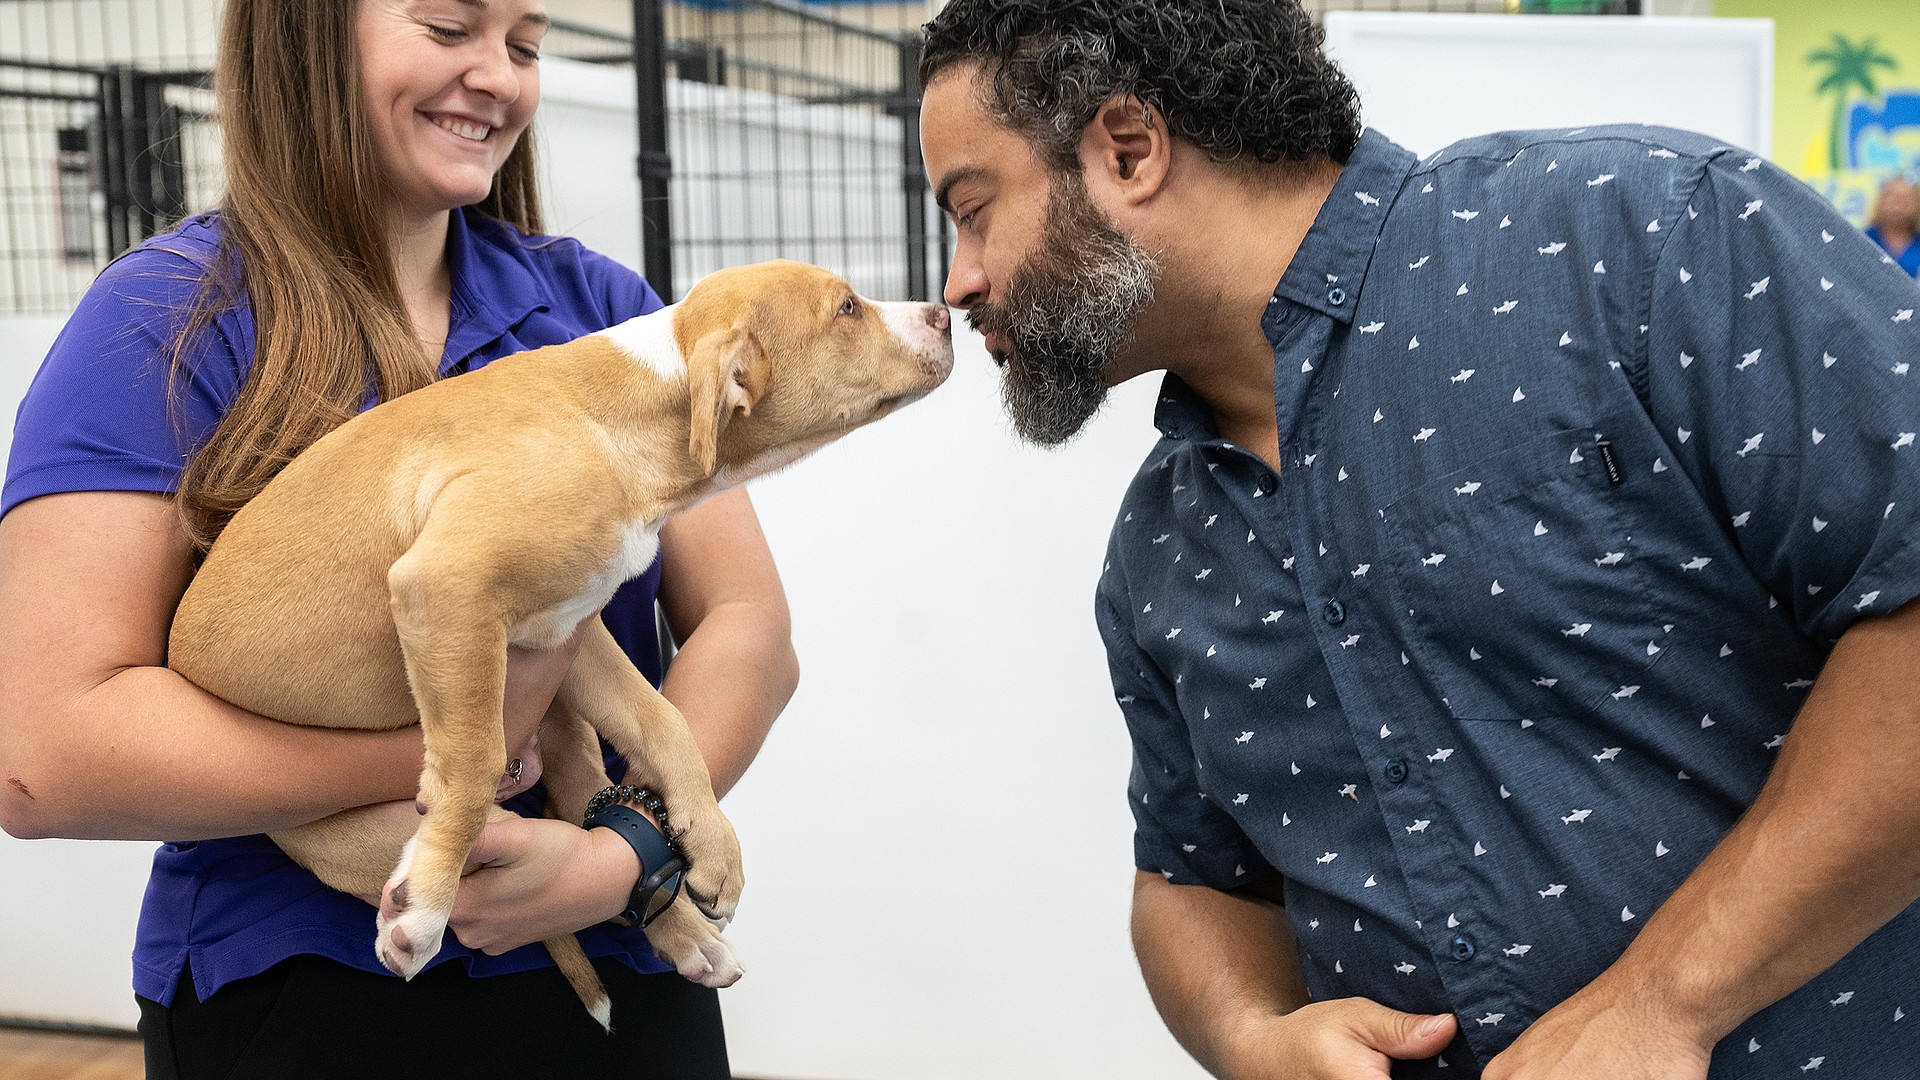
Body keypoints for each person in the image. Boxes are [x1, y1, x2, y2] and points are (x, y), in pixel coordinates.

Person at [917, 2, 1920, 1078]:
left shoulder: (1638, 238)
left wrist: (1664, 1003)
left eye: (974, 211)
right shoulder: (1159, 549)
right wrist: (1250, 1035)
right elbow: (1188, 879)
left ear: (1128, 150)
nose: (958, 282)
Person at [0, 1, 797, 1076]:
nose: (499, 78)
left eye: (524, 45)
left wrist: (621, 859)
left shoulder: (599, 309)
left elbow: (746, 620)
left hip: (623, 972)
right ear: (307, 33)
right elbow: (45, 754)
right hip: (311, 988)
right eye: (446, 28)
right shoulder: (167, 320)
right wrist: (463, 775)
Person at [1864, 176, 1920, 278]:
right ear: (1880, 201)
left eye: (1906, 200)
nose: (1898, 206)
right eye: (1893, 198)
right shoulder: (1863, 239)